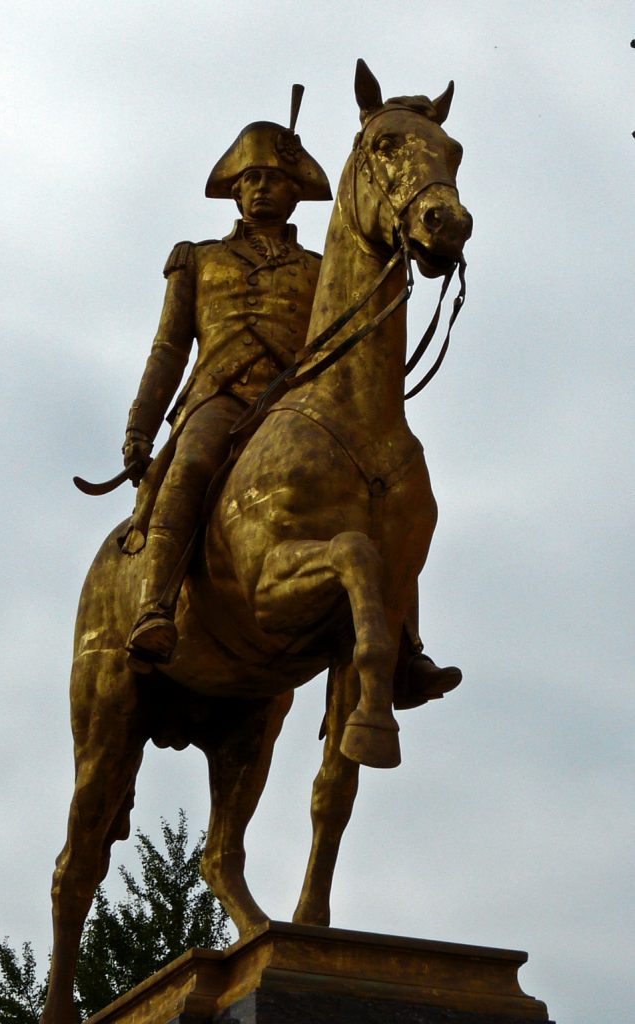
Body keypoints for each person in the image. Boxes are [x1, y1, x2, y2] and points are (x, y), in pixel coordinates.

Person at [121, 112, 461, 705]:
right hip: (222, 399)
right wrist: (140, 429)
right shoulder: (198, 259)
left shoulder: (319, 270)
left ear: (295, 193)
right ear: (234, 188)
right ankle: (155, 606)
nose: (262, 190)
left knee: (387, 485)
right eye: (251, 179)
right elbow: (169, 350)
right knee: (195, 460)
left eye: (275, 180)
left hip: (296, 409)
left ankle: (405, 645)